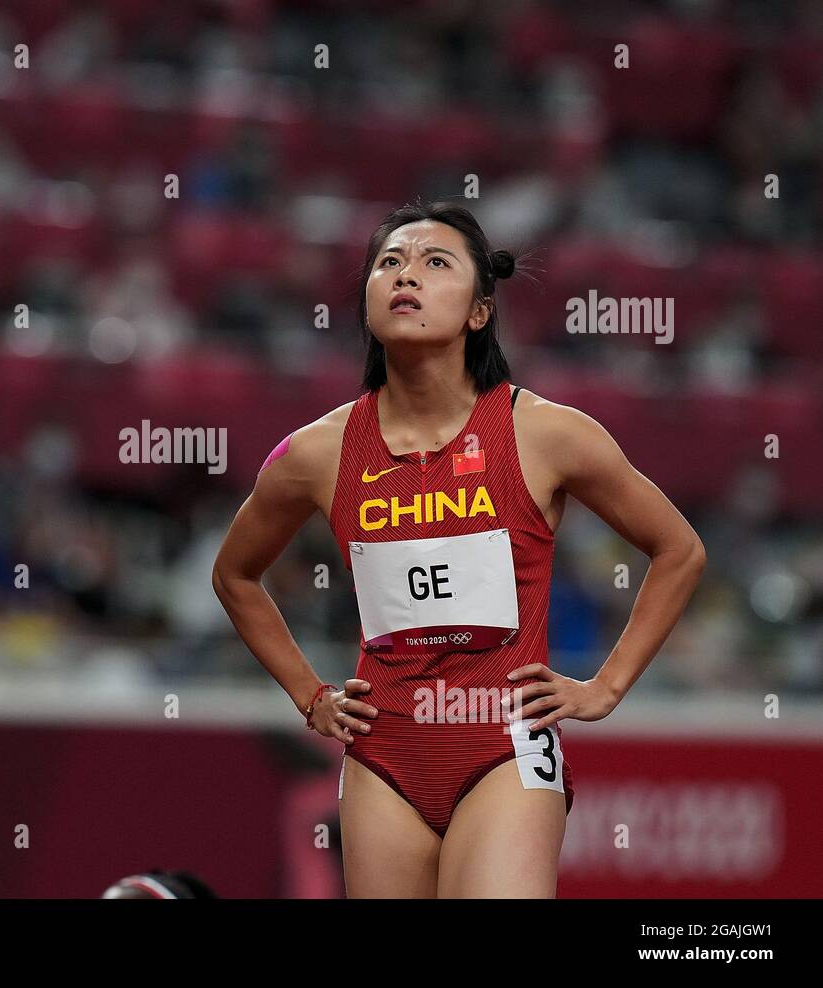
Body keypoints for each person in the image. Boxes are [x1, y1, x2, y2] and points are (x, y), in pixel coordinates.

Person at [211, 199, 705, 898]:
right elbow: (235, 574)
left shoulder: (547, 433)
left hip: (505, 747)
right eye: (389, 263)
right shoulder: (315, 453)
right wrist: (309, 695)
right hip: (384, 755)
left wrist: (608, 685)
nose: (404, 274)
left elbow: (679, 550)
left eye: (433, 262)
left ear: (479, 311)